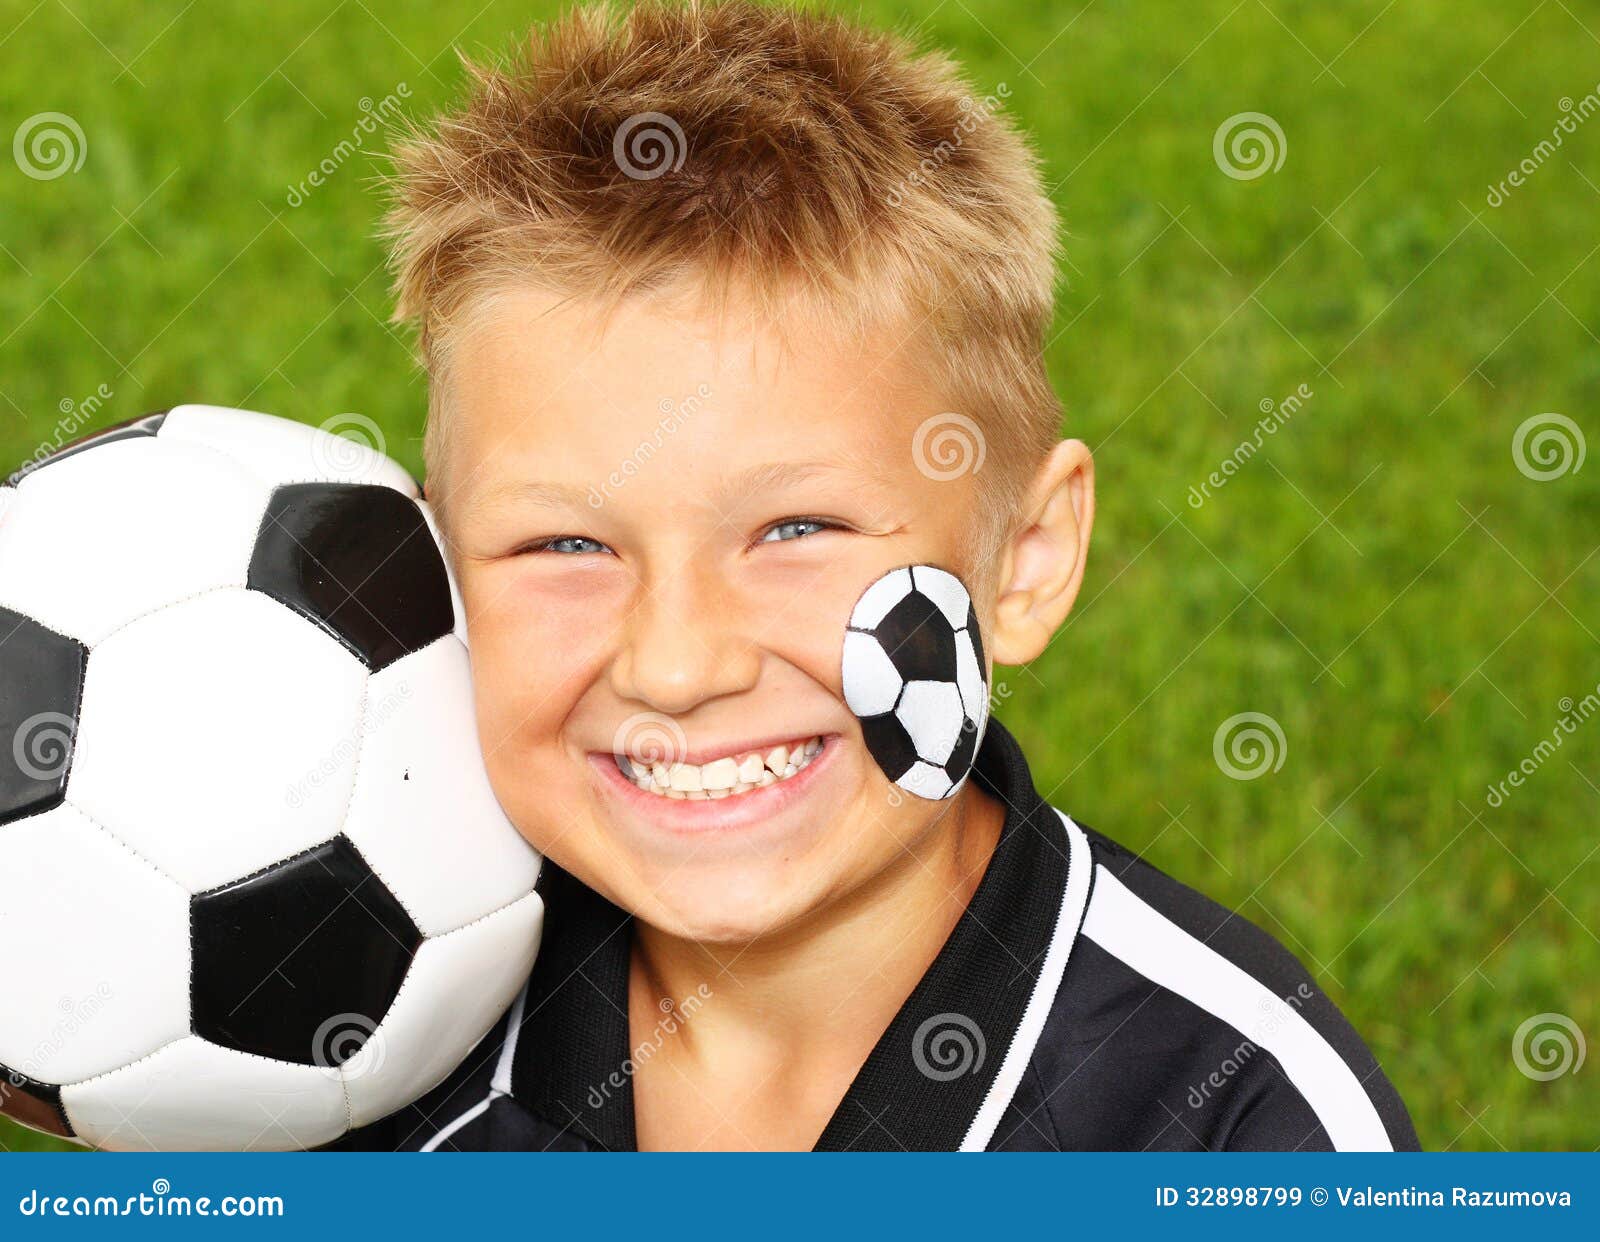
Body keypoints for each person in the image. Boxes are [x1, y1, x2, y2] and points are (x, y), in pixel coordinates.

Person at [337, 0, 1417, 1151]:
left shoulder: (1230, 1118)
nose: (679, 663)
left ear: (1024, 560)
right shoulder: (347, 1030)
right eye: (566, 547)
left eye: (796, 530)